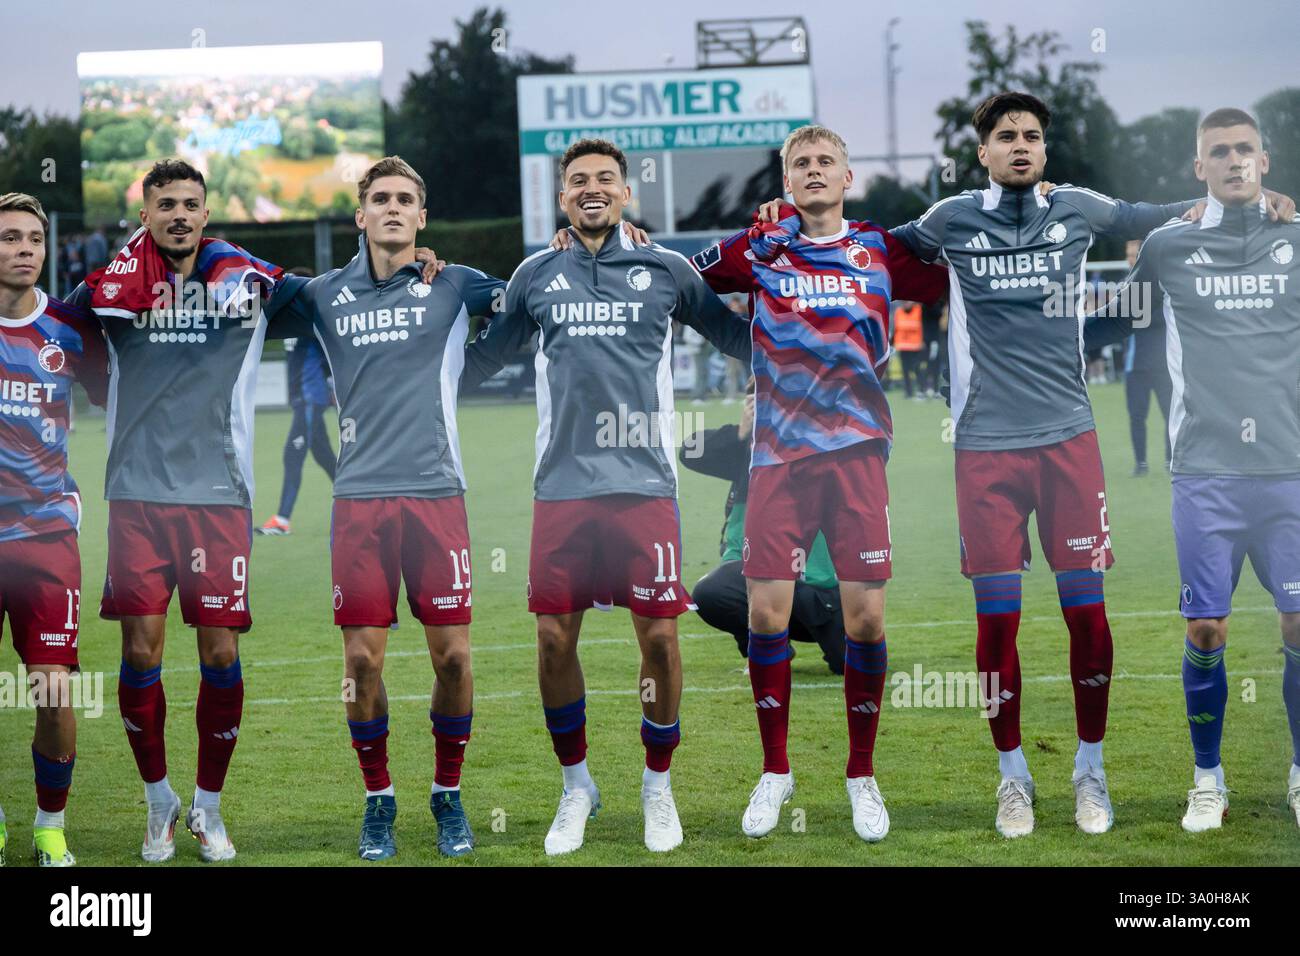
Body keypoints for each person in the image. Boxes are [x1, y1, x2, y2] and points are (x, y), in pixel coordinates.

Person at [889, 91, 1295, 838]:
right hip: (983, 449)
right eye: (1006, 137)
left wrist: (1253, 193)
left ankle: (1090, 771)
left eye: (1032, 137)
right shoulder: (949, 222)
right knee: (996, 625)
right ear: (982, 152)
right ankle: (1013, 779)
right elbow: (869, 251)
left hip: (1071, 442)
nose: (1020, 146)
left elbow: (1149, 214)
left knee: (1087, 615)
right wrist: (784, 232)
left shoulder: (1074, 207)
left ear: (1045, 150)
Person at [465, 138, 751, 856]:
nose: (591, 189)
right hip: (561, 490)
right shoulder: (536, 274)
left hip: (645, 487)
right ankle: (577, 786)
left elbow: (740, 337)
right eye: (578, 182)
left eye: (604, 180)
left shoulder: (667, 269)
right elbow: (483, 357)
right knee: (555, 638)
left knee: (658, 637)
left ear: (626, 193)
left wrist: (801, 309)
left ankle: (658, 786)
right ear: (562, 199)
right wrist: (430, 291)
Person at [693, 124, 948, 844]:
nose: (813, 171)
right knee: (765, 617)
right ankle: (775, 771)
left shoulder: (881, 248)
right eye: (800, 163)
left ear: (846, 177)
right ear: (787, 181)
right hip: (777, 459)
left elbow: (969, 265)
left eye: (824, 162)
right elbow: (680, 279)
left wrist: (1037, 205)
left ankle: (861, 774)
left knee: (867, 620)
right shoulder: (761, 246)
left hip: (859, 457)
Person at [272, 156, 500, 860]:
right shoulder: (320, 294)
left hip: (439, 496)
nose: (394, 208)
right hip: (359, 502)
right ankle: (378, 801)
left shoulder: (456, 284)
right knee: (363, 664)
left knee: (454, 660)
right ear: (361, 215)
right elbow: (235, 289)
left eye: (406, 199)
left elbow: (535, 294)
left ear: (422, 217)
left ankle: (448, 796)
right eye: (381, 199)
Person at [1084, 107, 1300, 832]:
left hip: (1289, 472)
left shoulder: (1294, 239)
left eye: (1246, 150)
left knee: (1299, 625)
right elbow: (1112, 320)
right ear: (1198, 169)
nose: (1235, 160)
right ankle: (1207, 779)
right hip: (1205, 474)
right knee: (1205, 628)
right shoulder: (1169, 248)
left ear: (1265, 162)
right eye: (1220, 152)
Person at [0, 193, 109, 867]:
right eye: (9, 237)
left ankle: (49, 828)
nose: (23, 249)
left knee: (54, 688)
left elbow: (125, 387)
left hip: (46, 539)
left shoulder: (69, 329)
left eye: (33, 239)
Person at [684, 386, 846, 674]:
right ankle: (769, 647)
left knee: (848, 665)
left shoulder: (823, 445)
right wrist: (740, 434)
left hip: (819, 593)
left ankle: (829, 641)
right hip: (760, 581)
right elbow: (689, 451)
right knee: (713, 591)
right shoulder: (747, 452)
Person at [258, 267, 336, 537]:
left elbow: (330, 356)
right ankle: (363, 503)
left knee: (292, 455)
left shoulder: (313, 319)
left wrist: (328, 386)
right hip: (302, 400)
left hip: (309, 399)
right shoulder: (292, 320)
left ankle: (281, 520)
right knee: (326, 458)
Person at [1116, 239, 1172, 475]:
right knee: (1136, 416)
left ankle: (1172, 461)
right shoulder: (1122, 286)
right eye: (1128, 255)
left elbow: (1153, 319)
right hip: (1135, 366)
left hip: (1163, 363)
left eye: (1134, 255)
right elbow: (1121, 321)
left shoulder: (1163, 284)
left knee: (1170, 415)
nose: (1131, 259)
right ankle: (1141, 464)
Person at [892, 300, 925, 398]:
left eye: (907, 301)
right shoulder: (898, 312)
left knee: (917, 369)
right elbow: (896, 328)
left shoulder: (919, 310)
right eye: (904, 302)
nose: (906, 303)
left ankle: (921, 390)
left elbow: (921, 327)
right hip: (902, 346)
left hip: (916, 347)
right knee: (905, 371)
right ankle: (908, 392)